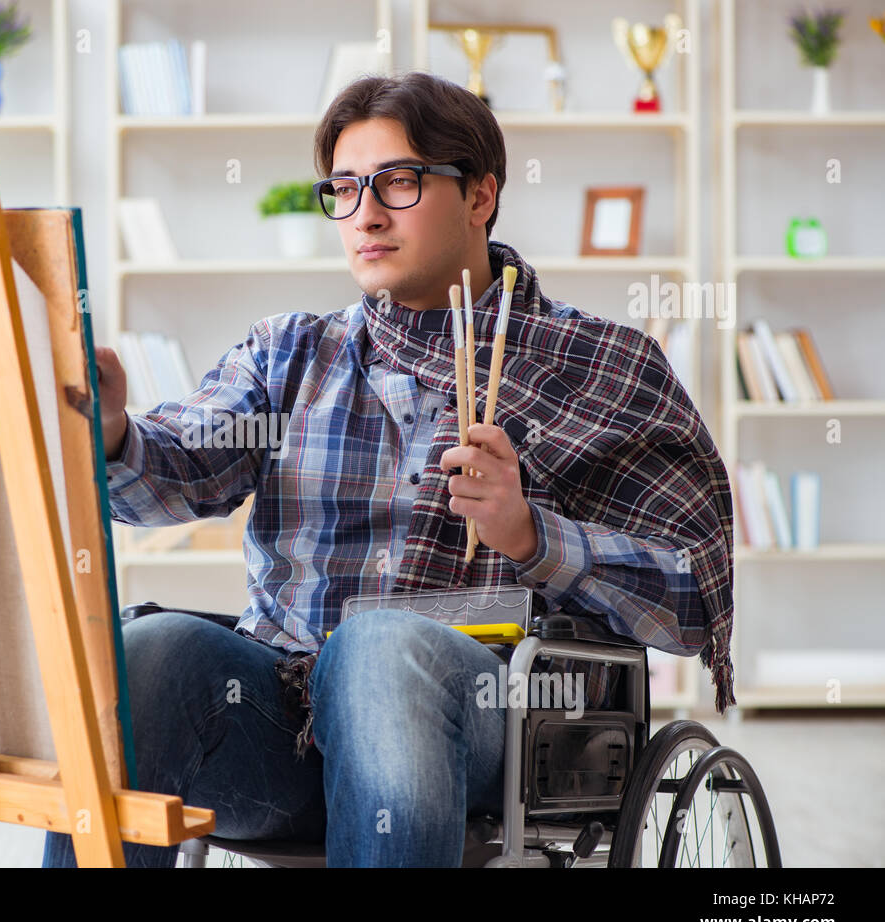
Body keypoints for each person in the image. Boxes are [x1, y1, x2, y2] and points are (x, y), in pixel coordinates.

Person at [44, 71, 734, 867]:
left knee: (378, 652)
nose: (365, 213)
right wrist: (113, 429)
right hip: (289, 725)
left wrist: (529, 533)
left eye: (397, 183)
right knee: (150, 654)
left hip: (500, 724)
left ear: (481, 196)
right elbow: (184, 457)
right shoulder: (293, 350)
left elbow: (692, 587)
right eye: (344, 188)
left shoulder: (604, 363)